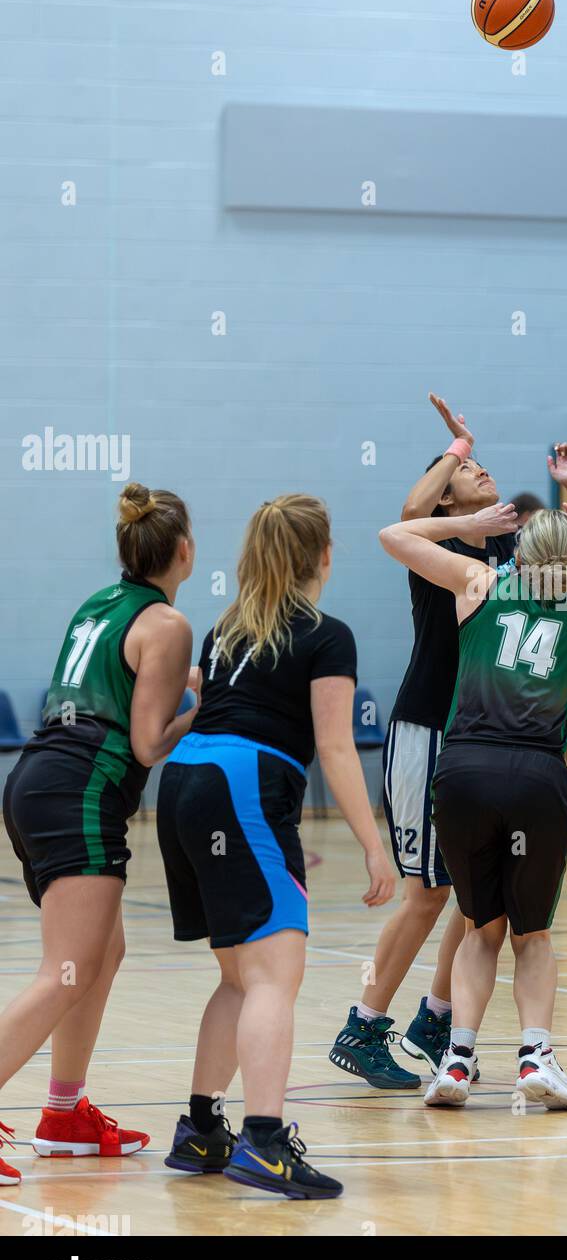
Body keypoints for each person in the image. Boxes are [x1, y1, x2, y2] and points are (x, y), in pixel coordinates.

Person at [328, 391, 567, 1089]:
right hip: (427, 731)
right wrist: (455, 451)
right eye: (471, 479)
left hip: (480, 744)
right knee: (424, 896)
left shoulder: (510, 552)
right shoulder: (437, 548)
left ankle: (437, 1013)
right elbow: (403, 520)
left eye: (484, 472)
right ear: (448, 504)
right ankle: (363, 1026)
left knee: (482, 902)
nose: (488, 479)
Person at [377, 494, 567, 1109]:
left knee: (480, 928)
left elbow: (393, 536)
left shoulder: (478, 582)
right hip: (536, 777)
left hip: (464, 772)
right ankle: (535, 1056)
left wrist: (467, 526)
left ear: (520, 552)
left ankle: (457, 1061)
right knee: (532, 934)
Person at [157, 495, 395, 1200]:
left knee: (240, 976)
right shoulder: (328, 634)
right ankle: (263, 1141)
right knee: (273, 977)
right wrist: (374, 847)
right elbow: (334, 747)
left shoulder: (228, 628)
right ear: (323, 556)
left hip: (186, 782)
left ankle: (202, 1127)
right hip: (241, 787)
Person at [0, 484, 198, 1188]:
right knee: (67, 969)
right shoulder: (166, 625)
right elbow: (147, 745)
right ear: (184, 551)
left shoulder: (98, 604)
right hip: (80, 788)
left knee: (100, 953)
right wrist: (197, 706)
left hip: (38, 776)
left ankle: (63, 1114)